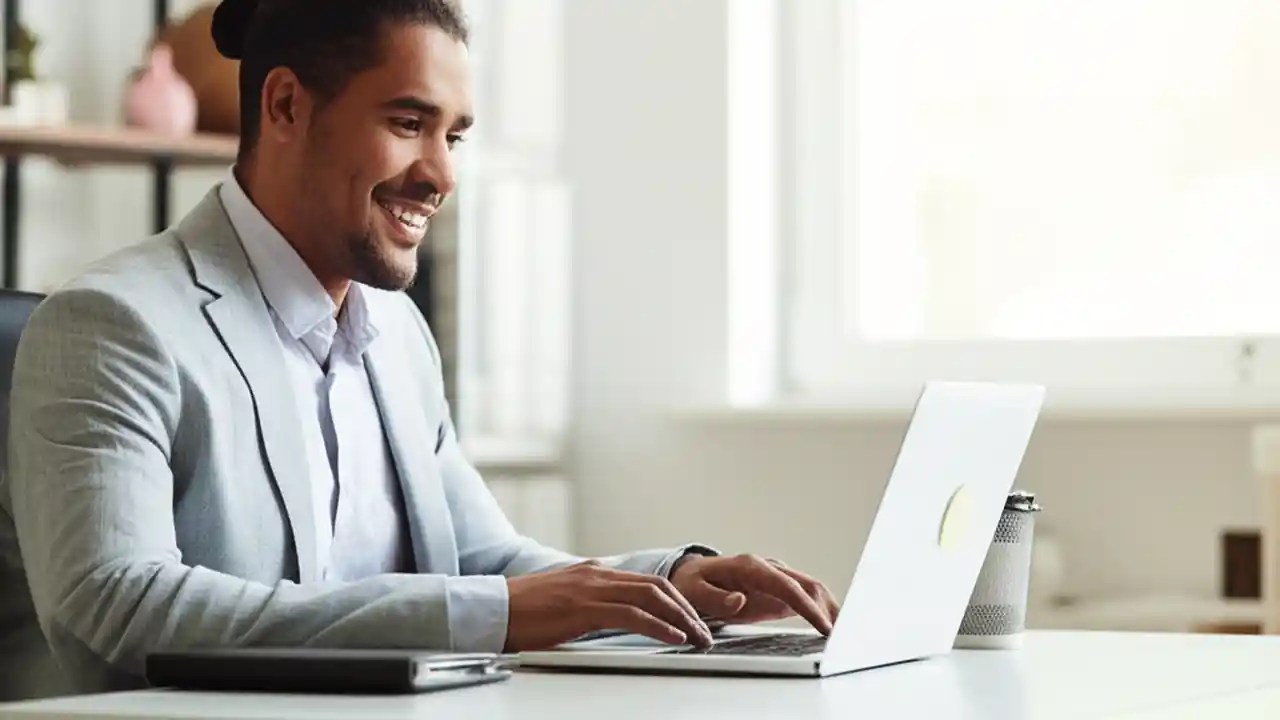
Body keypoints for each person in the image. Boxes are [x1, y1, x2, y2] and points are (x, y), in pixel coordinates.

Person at [0, 0, 840, 699]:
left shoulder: (394, 332)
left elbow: (484, 561)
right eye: (409, 122)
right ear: (286, 106)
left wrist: (669, 583)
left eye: (455, 136)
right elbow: (115, 609)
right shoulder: (114, 326)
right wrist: (493, 612)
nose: (441, 174)